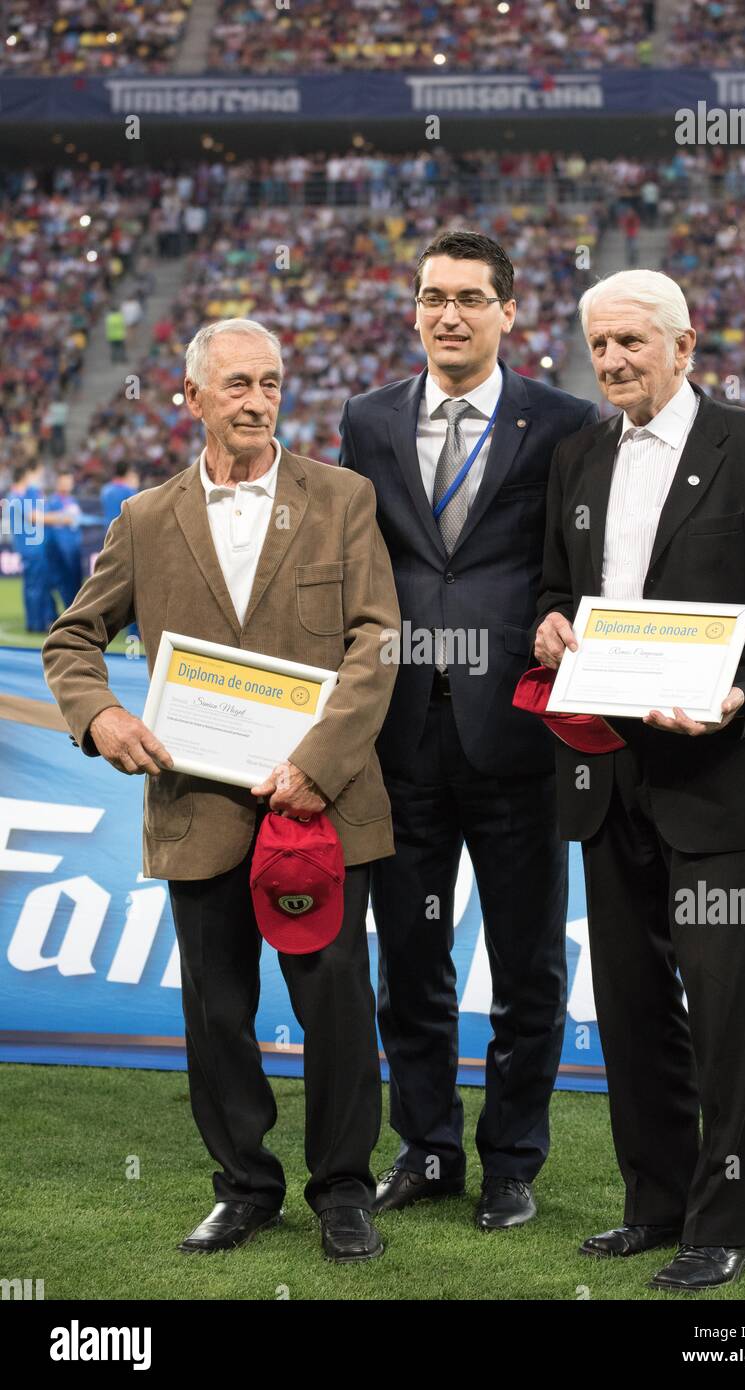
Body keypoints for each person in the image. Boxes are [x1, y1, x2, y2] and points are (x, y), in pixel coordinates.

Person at [43, 318, 401, 1264]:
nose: (256, 401)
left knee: (334, 1006)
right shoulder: (144, 518)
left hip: (319, 805)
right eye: (236, 384)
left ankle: (344, 1190)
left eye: (271, 384)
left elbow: (377, 643)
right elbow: (72, 641)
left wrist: (316, 766)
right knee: (216, 1012)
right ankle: (244, 1185)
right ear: (190, 397)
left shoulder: (342, 498)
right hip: (197, 811)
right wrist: (98, 718)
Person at [532, 269, 745, 1290]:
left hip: (720, 774)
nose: (611, 362)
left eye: (630, 344)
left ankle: (723, 1224)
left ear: (684, 343)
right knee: (632, 1003)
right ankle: (652, 1205)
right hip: (607, 777)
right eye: (597, 345)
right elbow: (560, 594)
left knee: (726, 1007)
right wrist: (551, 623)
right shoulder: (574, 457)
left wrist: (742, 694)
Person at [339, 230, 597, 1230]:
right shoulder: (365, 421)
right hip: (397, 735)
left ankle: (514, 1161)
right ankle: (430, 1147)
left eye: (472, 297)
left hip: (519, 737)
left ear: (507, 313)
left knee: (530, 962)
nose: (452, 313)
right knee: (410, 957)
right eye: (435, 296)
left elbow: (579, 558)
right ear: (414, 309)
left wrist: (563, 612)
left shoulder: (564, 421)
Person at [9, 461, 57, 631]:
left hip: (29, 548)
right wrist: (63, 518)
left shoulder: (17, 495)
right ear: (27, 475)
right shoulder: (19, 496)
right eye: (36, 474)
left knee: (33, 585)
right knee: (36, 586)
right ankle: (37, 624)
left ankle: (35, 622)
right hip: (32, 548)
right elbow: (34, 517)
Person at [45, 468, 83, 609]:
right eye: (64, 482)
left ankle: (73, 615)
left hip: (73, 548)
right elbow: (44, 519)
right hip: (60, 550)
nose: (67, 484)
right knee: (59, 584)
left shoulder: (72, 501)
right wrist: (63, 517)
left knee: (75, 586)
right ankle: (52, 615)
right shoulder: (52, 502)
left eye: (69, 482)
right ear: (58, 483)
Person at [100, 463, 139, 528]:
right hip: (123, 529)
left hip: (108, 528)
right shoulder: (129, 491)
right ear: (127, 472)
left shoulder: (105, 489)